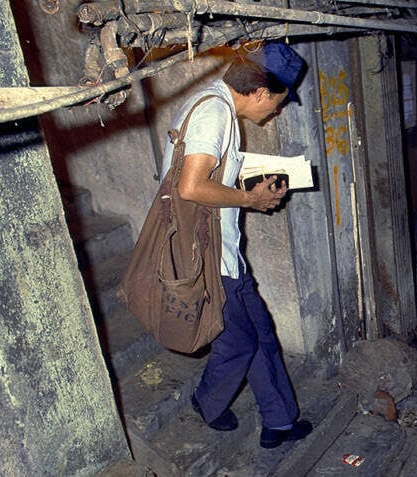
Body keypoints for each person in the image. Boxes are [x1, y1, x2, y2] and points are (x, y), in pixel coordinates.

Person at [159, 42, 312, 449]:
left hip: (225, 249)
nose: (276, 112)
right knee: (239, 342)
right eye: (278, 103)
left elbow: (210, 176)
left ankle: (279, 421)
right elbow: (191, 186)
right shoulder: (214, 113)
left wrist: (249, 187)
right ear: (260, 92)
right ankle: (207, 402)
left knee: (261, 332)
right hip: (204, 257)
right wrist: (252, 199)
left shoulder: (216, 105)